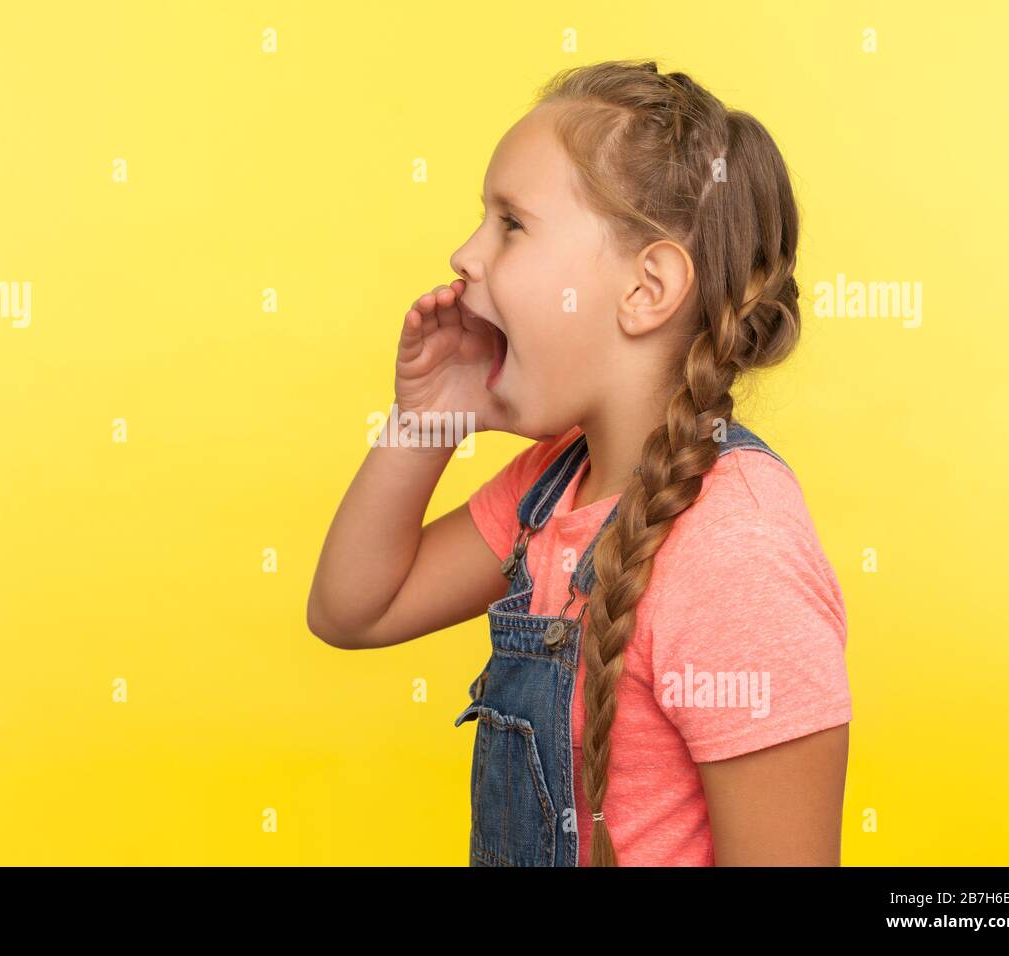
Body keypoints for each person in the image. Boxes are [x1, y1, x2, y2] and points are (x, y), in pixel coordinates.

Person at [308, 59, 852, 867]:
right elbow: (354, 611)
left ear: (647, 288)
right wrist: (429, 423)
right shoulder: (557, 484)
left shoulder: (737, 556)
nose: (464, 254)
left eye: (512, 224)